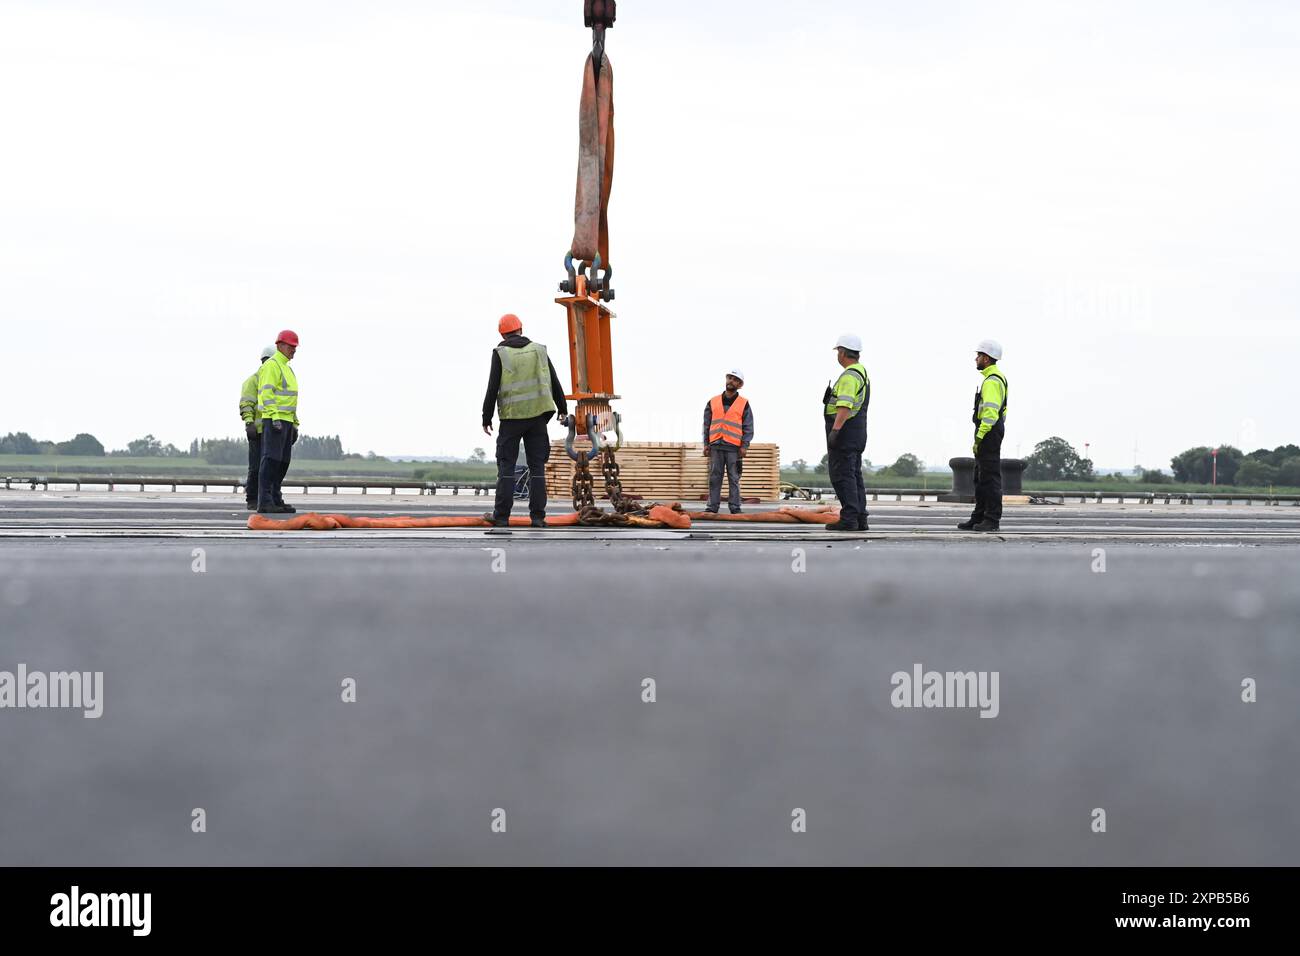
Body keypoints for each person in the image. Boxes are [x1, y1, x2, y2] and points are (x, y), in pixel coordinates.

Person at [481, 313, 569, 527]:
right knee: (537, 467)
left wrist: (486, 416)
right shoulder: (539, 350)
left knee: (506, 466)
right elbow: (554, 380)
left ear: (502, 333)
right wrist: (562, 408)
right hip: (538, 417)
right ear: (521, 329)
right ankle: (538, 518)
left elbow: (492, 387)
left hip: (511, 418)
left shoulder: (501, 354)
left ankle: (501, 518)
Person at [959, 339, 1008, 532]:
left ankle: (991, 519)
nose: (976, 359)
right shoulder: (993, 379)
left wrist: (979, 437)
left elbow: (991, 413)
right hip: (991, 431)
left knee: (990, 478)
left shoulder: (992, 381)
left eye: (978, 355)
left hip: (989, 432)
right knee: (980, 478)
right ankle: (978, 517)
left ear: (986, 358)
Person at [823, 334, 871, 532]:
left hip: (845, 432)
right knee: (853, 476)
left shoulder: (850, 376)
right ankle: (860, 518)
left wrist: (835, 430)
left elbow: (844, 405)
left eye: (838, 352)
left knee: (842, 476)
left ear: (842, 352)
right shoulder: (861, 372)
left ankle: (849, 518)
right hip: (856, 433)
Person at [256, 330, 300, 514]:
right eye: (291, 346)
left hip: (287, 421)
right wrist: (274, 418)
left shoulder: (287, 368)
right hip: (275, 420)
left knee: (283, 462)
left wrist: (295, 422)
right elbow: (266, 393)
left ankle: (275, 498)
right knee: (271, 460)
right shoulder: (272, 366)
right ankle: (264, 501)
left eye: (295, 347)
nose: (294, 350)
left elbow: (290, 399)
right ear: (280, 345)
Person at [701, 369, 753, 514]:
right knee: (714, 477)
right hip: (716, 445)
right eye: (730, 378)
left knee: (734, 478)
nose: (731, 381)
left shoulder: (744, 404)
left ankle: (735, 508)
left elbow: (748, 426)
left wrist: (744, 445)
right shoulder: (713, 402)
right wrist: (706, 444)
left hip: (734, 447)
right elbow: (707, 424)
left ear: (740, 384)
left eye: (735, 379)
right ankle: (712, 507)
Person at [239, 346, 275, 510]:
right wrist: (249, 423)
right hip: (258, 432)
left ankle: (269, 497)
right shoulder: (252, 381)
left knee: (272, 467)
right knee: (255, 467)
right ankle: (252, 498)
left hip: (274, 431)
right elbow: (246, 404)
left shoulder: (277, 380)